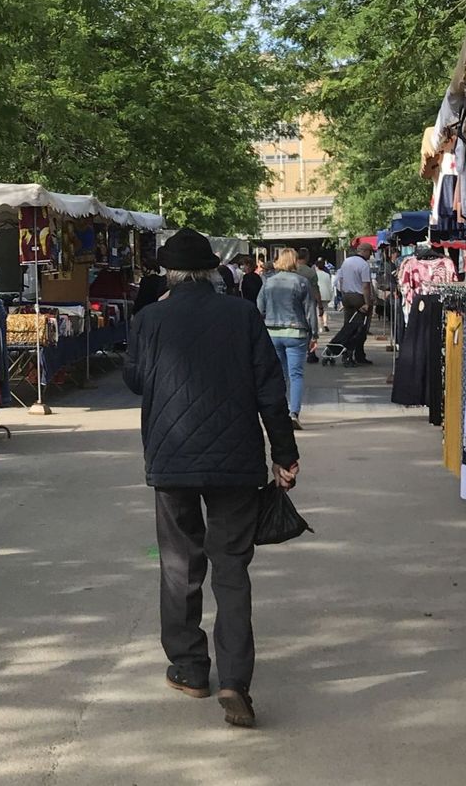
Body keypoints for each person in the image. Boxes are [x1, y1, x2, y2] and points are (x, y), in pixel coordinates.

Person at [124, 228, 299, 730]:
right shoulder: (242, 314)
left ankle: (190, 668)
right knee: (231, 568)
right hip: (236, 461)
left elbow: (135, 381)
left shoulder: (149, 318)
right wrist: (284, 454)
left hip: (171, 459)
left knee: (180, 564)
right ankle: (235, 680)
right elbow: (270, 390)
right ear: (209, 270)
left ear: (169, 274)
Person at [255, 248, 319, 427]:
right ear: (294, 261)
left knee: (279, 374)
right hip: (296, 332)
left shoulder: (268, 282)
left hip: (273, 332)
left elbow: (259, 307)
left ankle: (279, 413)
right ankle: (294, 413)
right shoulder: (302, 282)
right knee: (296, 374)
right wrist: (314, 334)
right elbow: (310, 310)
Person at [337, 244, 376, 365]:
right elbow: (365, 286)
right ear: (364, 251)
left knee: (348, 326)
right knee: (361, 328)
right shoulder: (363, 265)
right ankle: (356, 354)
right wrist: (367, 303)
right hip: (359, 297)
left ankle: (346, 352)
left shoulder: (346, 262)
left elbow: (341, 280)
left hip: (347, 296)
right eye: (370, 252)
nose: (371, 255)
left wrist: (344, 294)